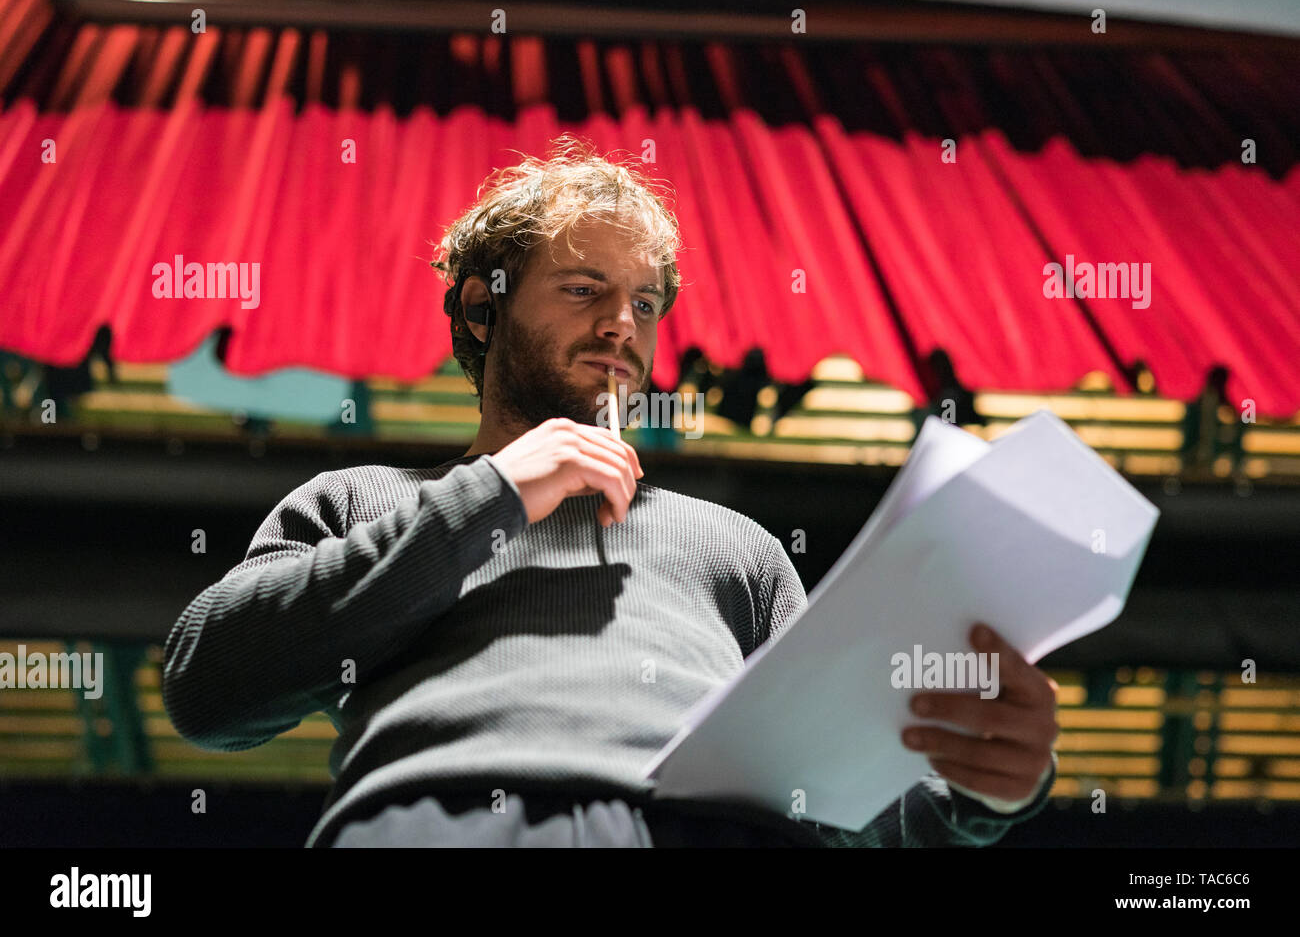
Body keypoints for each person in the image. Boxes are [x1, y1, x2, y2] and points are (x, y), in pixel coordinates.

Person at [162, 136, 1057, 847]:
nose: (621, 324)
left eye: (646, 302)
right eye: (584, 288)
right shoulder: (361, 501)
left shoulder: (735, 547)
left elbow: (836, 803)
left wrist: (980, 792)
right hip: (443, 820)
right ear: (484, 308)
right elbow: (210, 687)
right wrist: (491, 495)